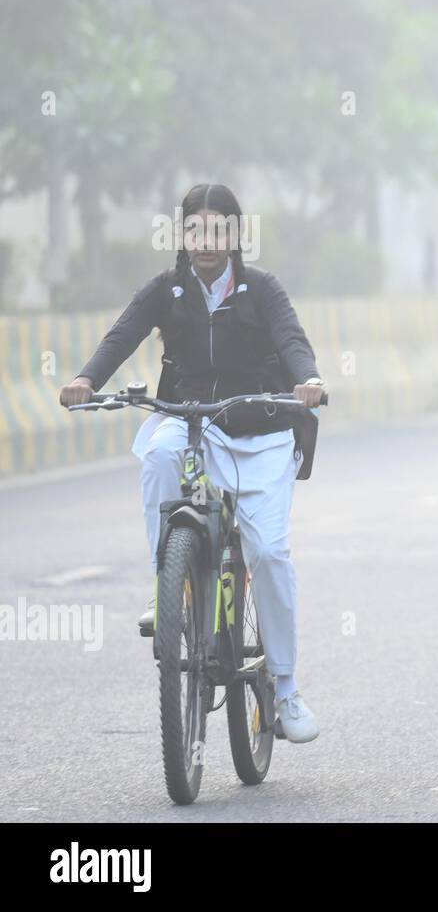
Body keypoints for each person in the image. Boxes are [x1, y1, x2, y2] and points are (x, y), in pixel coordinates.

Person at [58, 183, 326, 743]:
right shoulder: (167, 290)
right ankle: (169, 587)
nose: (207, 241)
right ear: (183, 236)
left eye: (219, 229)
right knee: (157, 452)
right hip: (192, 418)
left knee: (270, 552)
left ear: (234, 236)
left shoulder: (261, 289)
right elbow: (122, 335)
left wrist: (307, 380)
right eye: (196, 229)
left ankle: (286, 688)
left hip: (261, 429)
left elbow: (293, 340)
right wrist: (86, 379)